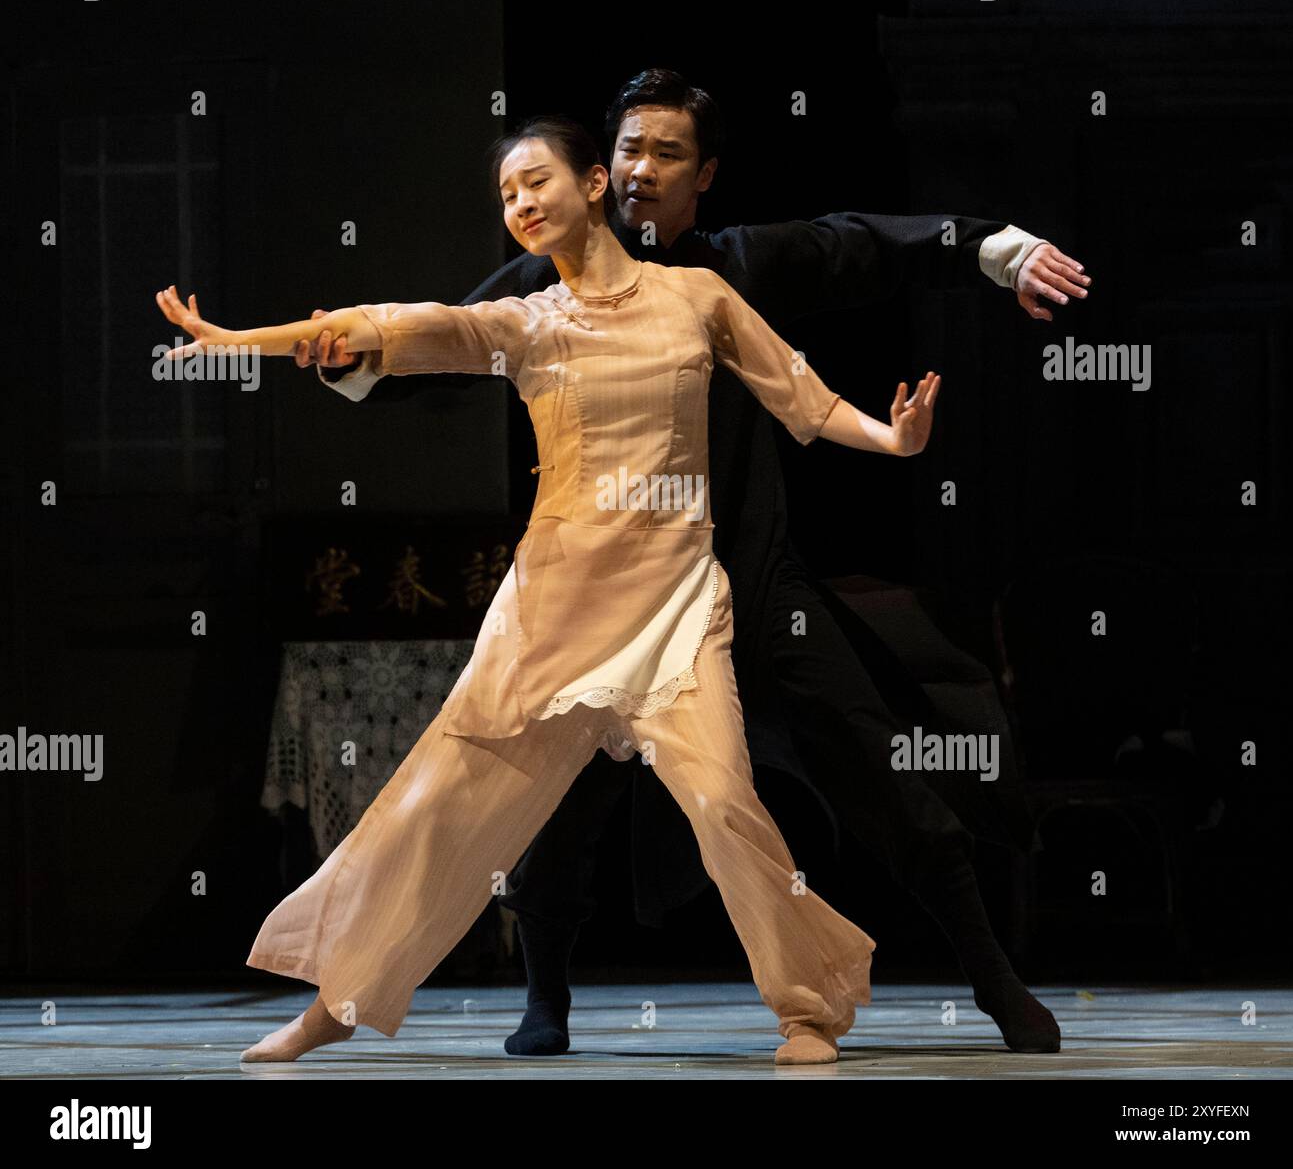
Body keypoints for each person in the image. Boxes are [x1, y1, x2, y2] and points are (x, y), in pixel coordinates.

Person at [298, 69, 1082, 1055]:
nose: (640, 170)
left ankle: (993, 978)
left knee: (882, 769)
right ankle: (546, 1000)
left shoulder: (736, 268)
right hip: (613, 606)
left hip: (751, 587)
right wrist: (350, 356)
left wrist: (994, 250)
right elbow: (443, 335)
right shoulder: (551, 278)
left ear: (701, 173)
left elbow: (859, 245)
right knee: (562, 799)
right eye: (627, 150)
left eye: (666, 153)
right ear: (600, 170)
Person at [154, 114, 944, 1066]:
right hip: (552, 609)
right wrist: (243, 338)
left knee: (724, 802)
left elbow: (800, 396)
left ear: (596, 185)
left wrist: (892, 440)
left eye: (536, 182)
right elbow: (394, 327)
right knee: (438, 803)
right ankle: (337, 1004)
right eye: (507, 196)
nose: (521, 204)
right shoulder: (525, 324)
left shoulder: (696, 297)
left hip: (675, 607)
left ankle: (805, 1007)